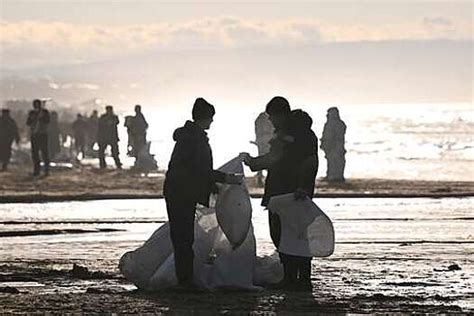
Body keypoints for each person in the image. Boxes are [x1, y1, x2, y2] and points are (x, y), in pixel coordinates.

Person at [163, 97, 242, 289]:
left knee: (182, 236)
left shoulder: (188, 136)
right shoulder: (195, 139)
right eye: (211, 118)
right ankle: (185, 281)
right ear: (204, 118)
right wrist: (226, 178)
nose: (212, 122)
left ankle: (185, 278)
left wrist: (211, 184)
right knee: (184, 238)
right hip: (182, 192)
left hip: (177, 190)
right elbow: (200, 170)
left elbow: (194, 169)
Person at [241, 97, 318, 291]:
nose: (271, 121)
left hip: (288, 193)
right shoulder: (297, 133)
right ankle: (296, 278)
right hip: (288, 191)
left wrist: (253, 163)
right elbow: (277, 158)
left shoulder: (295, 134)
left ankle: (297, 279)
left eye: (272, 117)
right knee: (293, 235)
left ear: (280, 114)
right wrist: (254, 163)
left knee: (287, 234)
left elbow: (306, 162)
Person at [320, 107, 346, 182]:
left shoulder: (337, 124)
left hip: (336, 146)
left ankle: (336, 176)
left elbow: (331, 136)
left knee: (336, 161)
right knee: (331, 162)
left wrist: (326, 143)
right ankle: (331, 175)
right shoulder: (332, 123)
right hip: (332, 147)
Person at [26, 99, 50, 176]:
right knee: (35, 154)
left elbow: (47, 121)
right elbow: (28, 123)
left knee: (44, 153)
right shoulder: (32, 113)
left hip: (42, 134)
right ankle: (37, 171)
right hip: (34, 135)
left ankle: (46, 170)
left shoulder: (45, 112)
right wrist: (33, 117)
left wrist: (41, 117)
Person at [252, 112, 274, 187]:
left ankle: (260, 177)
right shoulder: (264, 118)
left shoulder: (260, 118)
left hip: (261, 140)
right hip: (266, 140)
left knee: (263, 157)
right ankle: (260, 177)